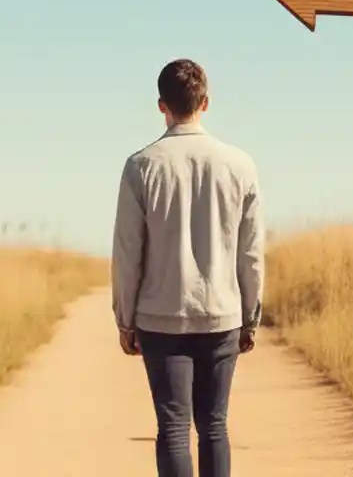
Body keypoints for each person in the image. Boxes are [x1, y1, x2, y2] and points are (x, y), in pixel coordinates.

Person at [111, 58, 265, 477]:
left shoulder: (141, 166)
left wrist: (125, 320)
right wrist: (250, 318)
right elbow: (250, 253)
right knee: (214, 427)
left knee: (173, 429)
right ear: (206, 103)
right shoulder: (240, 165)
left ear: (161, 105)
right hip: (221, 316)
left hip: (161, 319)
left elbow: (128, 252)